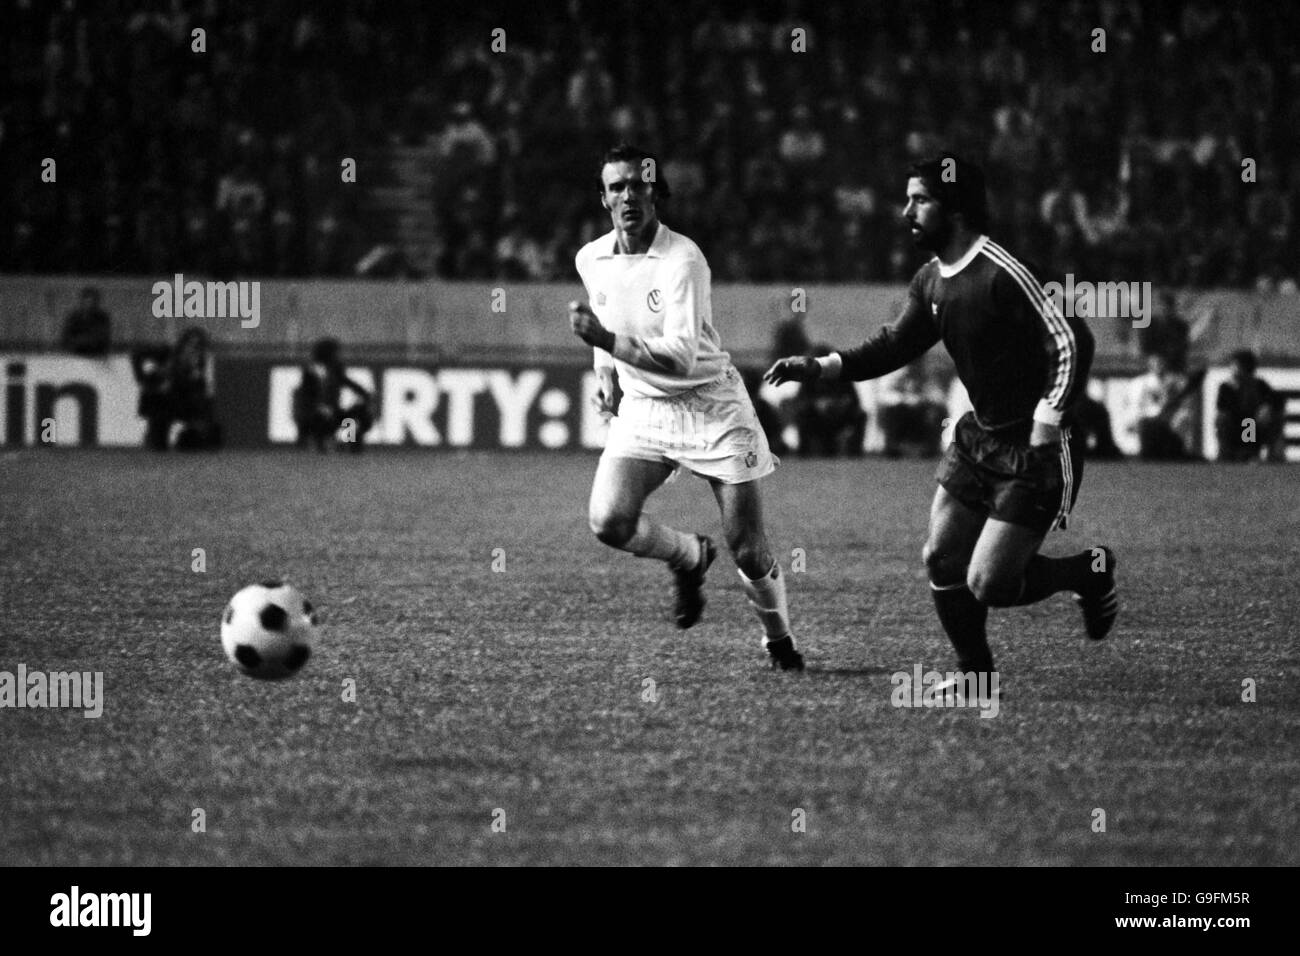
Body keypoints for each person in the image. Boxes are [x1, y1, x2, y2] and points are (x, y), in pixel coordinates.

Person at [766, 154, 1117, 686]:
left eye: (920, 200)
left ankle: (1088, 572)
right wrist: (819, 367)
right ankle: (976, 674)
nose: (906, 211)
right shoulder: (931, 280)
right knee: (941, 559)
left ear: (953, 208)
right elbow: (893, 344)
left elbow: (1072, 339)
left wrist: (1048, 416)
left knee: (990, 583)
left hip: (1036, 451)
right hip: (980, 440)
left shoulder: (1003, 271)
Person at [568, 143, 803, 671]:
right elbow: (603, 316)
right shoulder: (591, 258)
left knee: (746, 546)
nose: (629, 195)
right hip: (647, 410)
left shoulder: (683, 259)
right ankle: (689, 557)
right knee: (608, 520)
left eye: (638, 184)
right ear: (604, 199)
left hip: (712, 405)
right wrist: (604, 370)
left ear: (656, 192)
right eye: (617, 187)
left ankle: (779, 640)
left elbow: (679, 356)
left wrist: (606, 342)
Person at [129, 327, 221, 450]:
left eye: (200, 347)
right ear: (183, 345)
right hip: (161, 404)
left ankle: (189, 437)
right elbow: (137, 353)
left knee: (201, 437)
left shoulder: (198, 365)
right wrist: (142, 378)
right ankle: (155, 436)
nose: (195, 351)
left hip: (182, 402)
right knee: (158, 444)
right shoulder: (167, 353)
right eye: (193, 346)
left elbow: (200, 393)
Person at [293, 338, 375, 452]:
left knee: (357, 415)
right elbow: (305, 397)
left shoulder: (336, 369)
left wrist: (366, 395)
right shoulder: (310, 371)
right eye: (336, 353)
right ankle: (319, 443)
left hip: (333, 413)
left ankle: (348, 442)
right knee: (321, 417)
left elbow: (348, 382)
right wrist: (319, 407)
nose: (338, 356)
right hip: (315, 417)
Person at [794, 344, 868, 456]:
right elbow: (800, 401)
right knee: (802, 415)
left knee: (860, 415)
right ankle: (804, 451)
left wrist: (841, 404)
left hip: (839, 416)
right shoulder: (808, 379)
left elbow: (854, 401)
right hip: (817, 417)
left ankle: (855, 451)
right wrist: (816, 404)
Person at [1216, 349, 1284, 462]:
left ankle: (1257, 454)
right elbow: (1223, 407)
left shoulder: (1259, 384)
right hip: (1235, 425)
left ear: (1243, 367)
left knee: (1251, 421)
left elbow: (1276, 399)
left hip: (1256, 427)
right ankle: (1231, 454)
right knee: (1245, 421)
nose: (1231, 368)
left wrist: (1266, 406)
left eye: (1234, 365)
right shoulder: (1227, 387)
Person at [1130, 352, 1195, 460]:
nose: (1158, 365)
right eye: (1155, 363)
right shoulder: (1141, 383)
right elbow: (1137, 406)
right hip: (1149, 420)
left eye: (1161, 363)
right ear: (1150, 364)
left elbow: (1185, 405)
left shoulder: (1177, 381)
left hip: (1170, 420)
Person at [61, 287, 112, 357]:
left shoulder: (102, 318)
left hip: (97, 355)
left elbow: (102, 338)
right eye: (87, 301)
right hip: (75, 355)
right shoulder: (74, 318)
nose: (89, 305)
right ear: (82, 302)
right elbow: (67, 338)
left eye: (92, 302)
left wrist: (86, 341)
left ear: (96, 303)